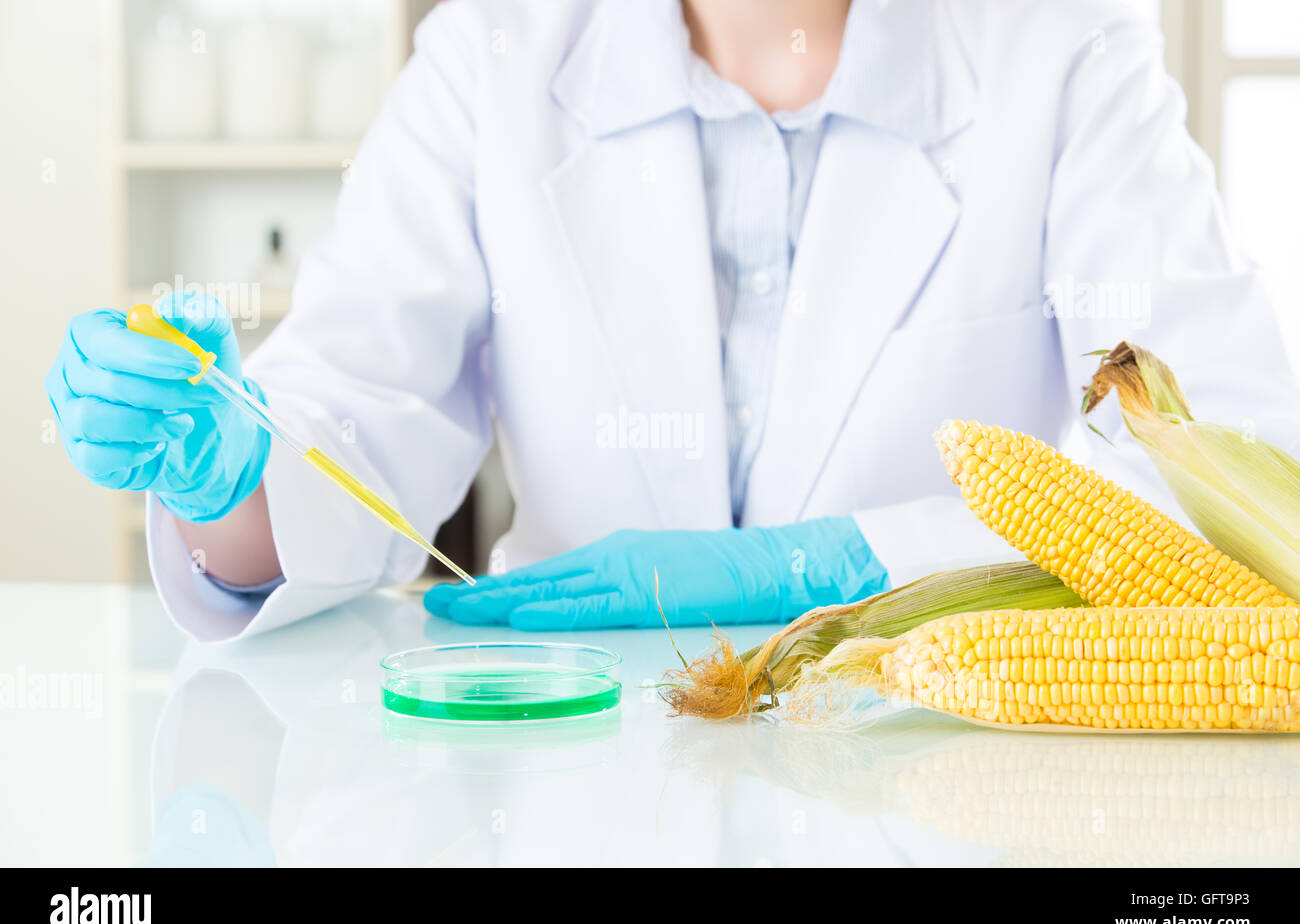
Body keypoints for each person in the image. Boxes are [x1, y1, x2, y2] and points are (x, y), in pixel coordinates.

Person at [46, 0, 1300, 641]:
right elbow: (356, 416)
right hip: (566, 751)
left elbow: (1228, 456)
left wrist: (854, 562)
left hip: (938, 747)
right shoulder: (495, 53)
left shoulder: (1061, 46)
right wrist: (227, 473)